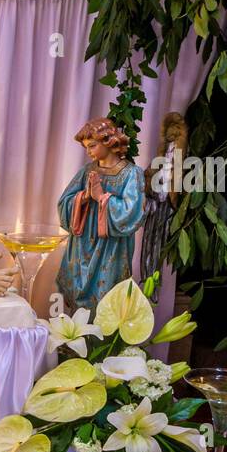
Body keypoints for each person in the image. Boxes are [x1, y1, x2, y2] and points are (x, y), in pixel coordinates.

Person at [56, 117, 145, 312]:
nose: (88, 152)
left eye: (92, 146)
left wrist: (102, 198)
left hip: (110, 249)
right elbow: (64, 202)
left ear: (109, 142)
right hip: (80, 247)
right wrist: (84, 197)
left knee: (106, 303)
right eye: (86, 147)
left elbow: (132, 212)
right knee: (78, 309)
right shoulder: (87, 170)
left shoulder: (131, 173)